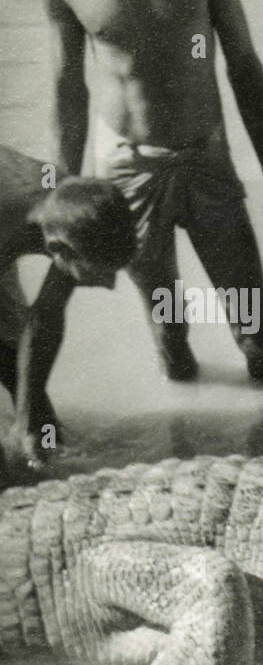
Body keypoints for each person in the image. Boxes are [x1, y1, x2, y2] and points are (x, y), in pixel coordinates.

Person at [44, 0, 263, 386]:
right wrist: (64, 195)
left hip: (206, 161)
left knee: (257, 337)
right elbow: (68, 86)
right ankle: (182, 437)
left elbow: (244, 66)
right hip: (128, 172)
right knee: (171, 341)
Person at [0, 146, 134, 469]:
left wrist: (30, 418)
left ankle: (42, 448)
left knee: (34, 409)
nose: (108, 285)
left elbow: (44, 317)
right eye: (96, 274)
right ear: (58, 250)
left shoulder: (75, 206)